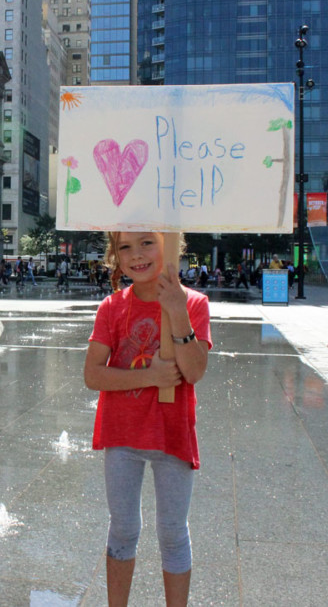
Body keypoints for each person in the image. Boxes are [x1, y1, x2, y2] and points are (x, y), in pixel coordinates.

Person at [84, 232, 212, 607]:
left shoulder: (194, 303)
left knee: (172, 533)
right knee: (123, 529)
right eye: (125, 247)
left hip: (171, 436)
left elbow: (194, 371)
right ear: (115, 255)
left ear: (170, 246)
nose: (136, 255)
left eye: (146, 243)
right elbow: (93, 375)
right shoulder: (111, 307)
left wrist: (176, 310)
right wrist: (150, 377)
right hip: (121, 435)